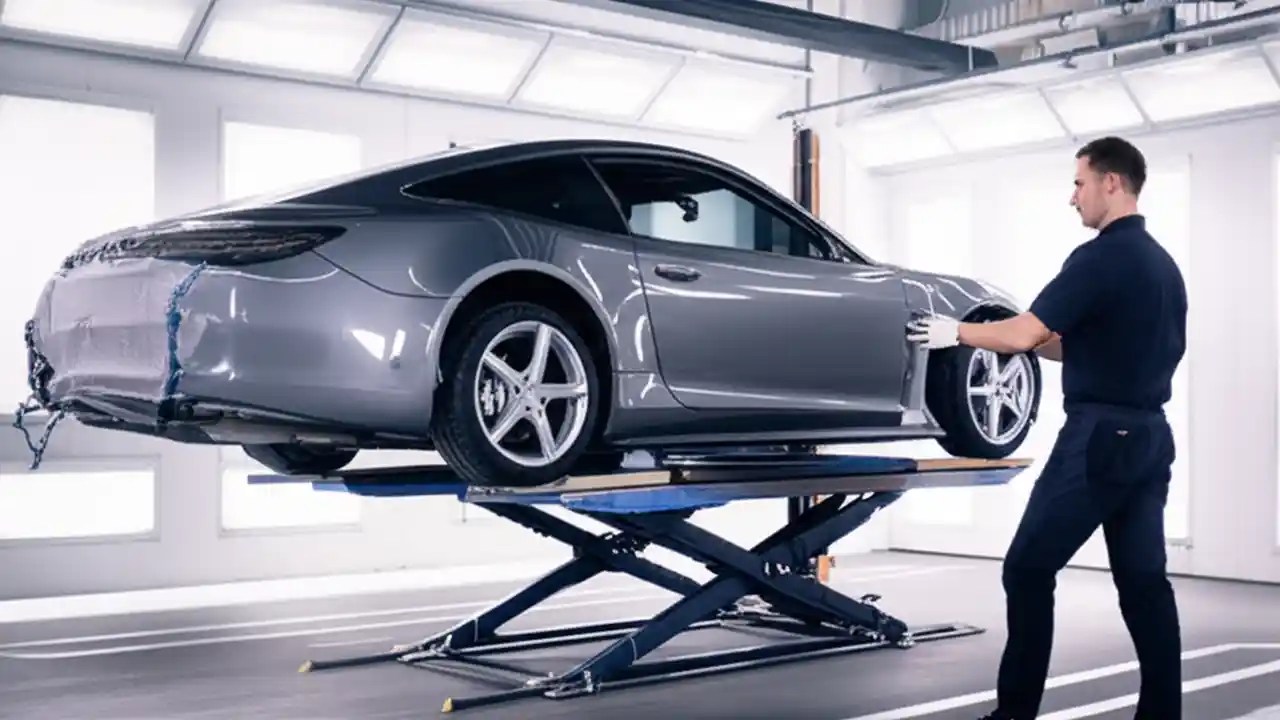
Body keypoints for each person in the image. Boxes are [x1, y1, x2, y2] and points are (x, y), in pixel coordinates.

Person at [906, 136, 1186, 720]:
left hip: (1100, 438)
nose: (1072, 197)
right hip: (1151, 440)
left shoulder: (1100, 258)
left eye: (1080, 183)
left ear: (1113, 183)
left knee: (1027, 569)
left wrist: (953, 332)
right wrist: (1028, 347)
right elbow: (1072, 345)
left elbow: (1022, 332)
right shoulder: (1163, 266)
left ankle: (1014, 717)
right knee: (1143, 584)